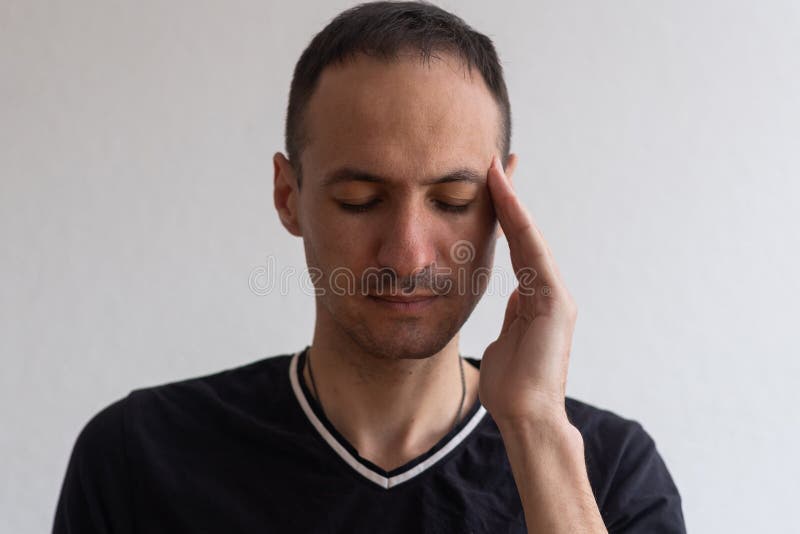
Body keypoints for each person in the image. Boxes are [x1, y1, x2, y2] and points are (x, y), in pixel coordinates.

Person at [52, 2, 687, 532]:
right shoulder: (137, 457)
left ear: (504, 204)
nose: (407, 255)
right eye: (361, 200)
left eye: (453, 201)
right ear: (287, 195)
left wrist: (536, 430)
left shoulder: (609, 475)